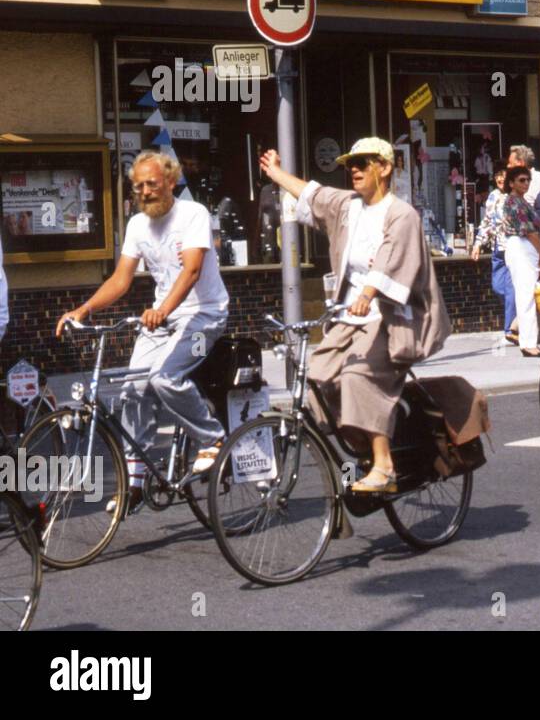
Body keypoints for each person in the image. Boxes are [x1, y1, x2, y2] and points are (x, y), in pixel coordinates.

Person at [259, 139, 450, 493]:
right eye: (351, 164)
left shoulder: (401, 214)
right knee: (317, 375)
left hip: (391, 316)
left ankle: (385, 465)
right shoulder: (349, 206)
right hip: (350, 315)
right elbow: (313, 194)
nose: (355, 170)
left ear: (386, 167)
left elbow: (393, 258)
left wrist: (367, 294)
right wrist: (276, 173)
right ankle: (361, 450)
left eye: (363, 162)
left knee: (358, 375)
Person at [56, 151, 229, 511]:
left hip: (204, 318)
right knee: (132, 389)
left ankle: (213, 438)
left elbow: (193, 270)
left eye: (152, 183)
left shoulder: (192, 214)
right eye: (139, 186)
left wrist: (163, 309)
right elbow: (121, 279)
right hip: (162, 320)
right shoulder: (137, 225)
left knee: (165, 378)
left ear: (170, 181)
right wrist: (84, 309)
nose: (146, 191)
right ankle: (134, 483)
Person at [499, 165, 540, 357]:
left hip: (526, 248)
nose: (526, 183)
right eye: (521, 180)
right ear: (511, 183)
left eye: (528, 180)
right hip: (521, 247)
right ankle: (528, 343)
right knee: (525, 295)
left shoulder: (522, 201)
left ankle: (529, 339)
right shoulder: (513, 202)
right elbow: (529, 232)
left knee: (528, 294)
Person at [470, 160, 517, 344]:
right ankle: (518, 313)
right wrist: (477, 244)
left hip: (513, 247)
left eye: (503, 175)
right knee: (498, 287)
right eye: (497, 175)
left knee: (511, 289)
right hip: (498, 247)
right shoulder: (493, 196)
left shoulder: (514, 196)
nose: (500, 178)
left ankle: (509, 330)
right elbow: (487, 221)